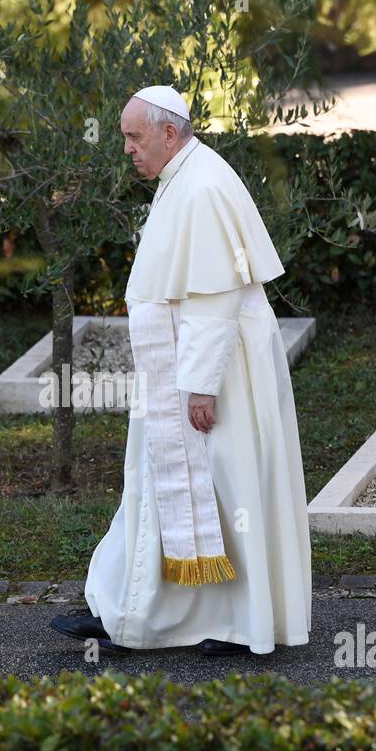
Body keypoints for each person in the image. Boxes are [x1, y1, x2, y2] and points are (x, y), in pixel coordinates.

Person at [51, 84, 313, 658]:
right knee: (155, 482)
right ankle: (127, 609)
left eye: (133, 136)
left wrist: (199, 387)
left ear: (169, 133)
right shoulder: (184, 178)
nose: (126, 149)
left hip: (219, 372)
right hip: (183, 362)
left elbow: (214, 300)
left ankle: (239, 622)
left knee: (229, 485)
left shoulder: (203, 186)